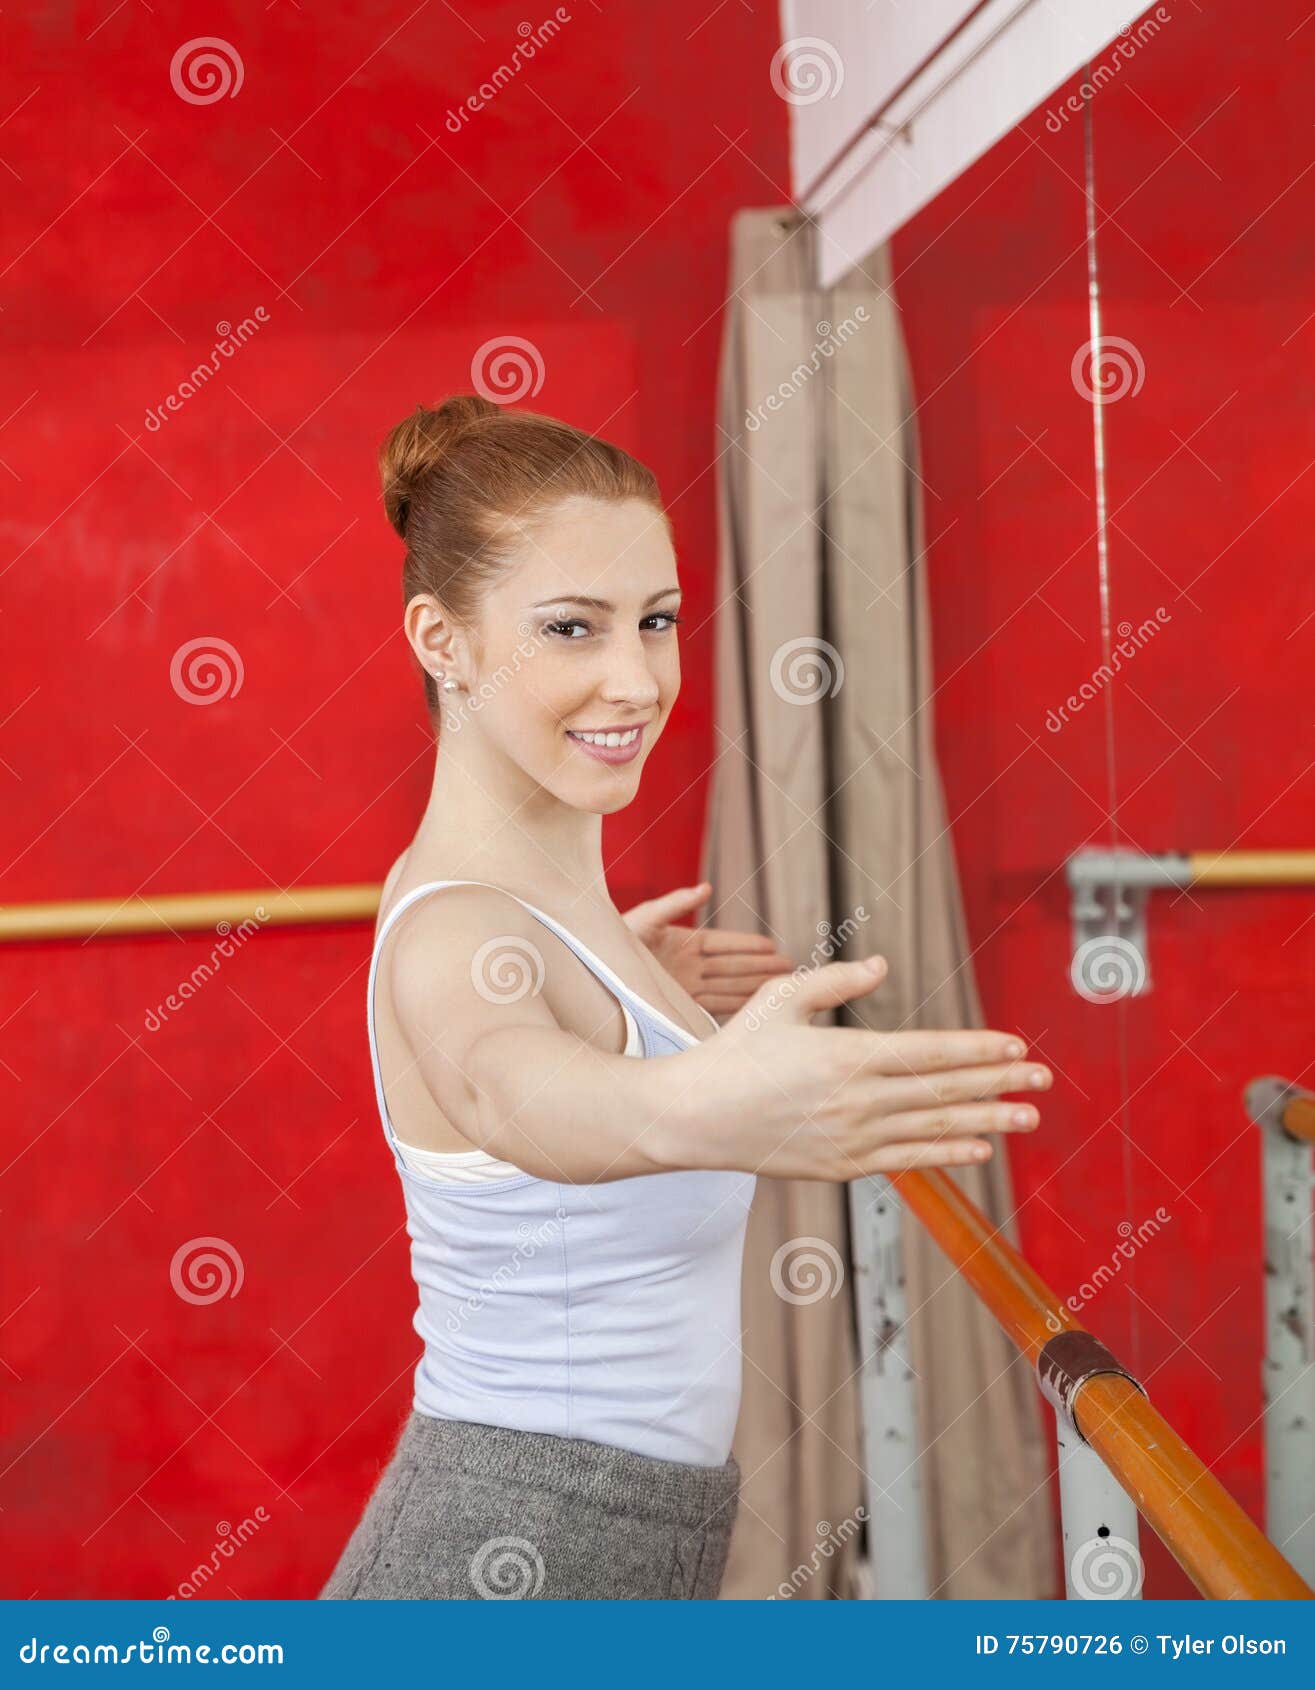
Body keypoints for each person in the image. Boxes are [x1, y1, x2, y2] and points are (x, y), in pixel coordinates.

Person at [319, 394, 1051, 1601]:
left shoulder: (531, 900)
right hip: (500, 1566)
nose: (636, 679)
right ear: (441, 640)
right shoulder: (461, 931)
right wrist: (697, 1097)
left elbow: (535, 1031)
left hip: (605, 1541)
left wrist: (636, 994)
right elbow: (509, 1091)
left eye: (655, 621)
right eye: (570, 628)